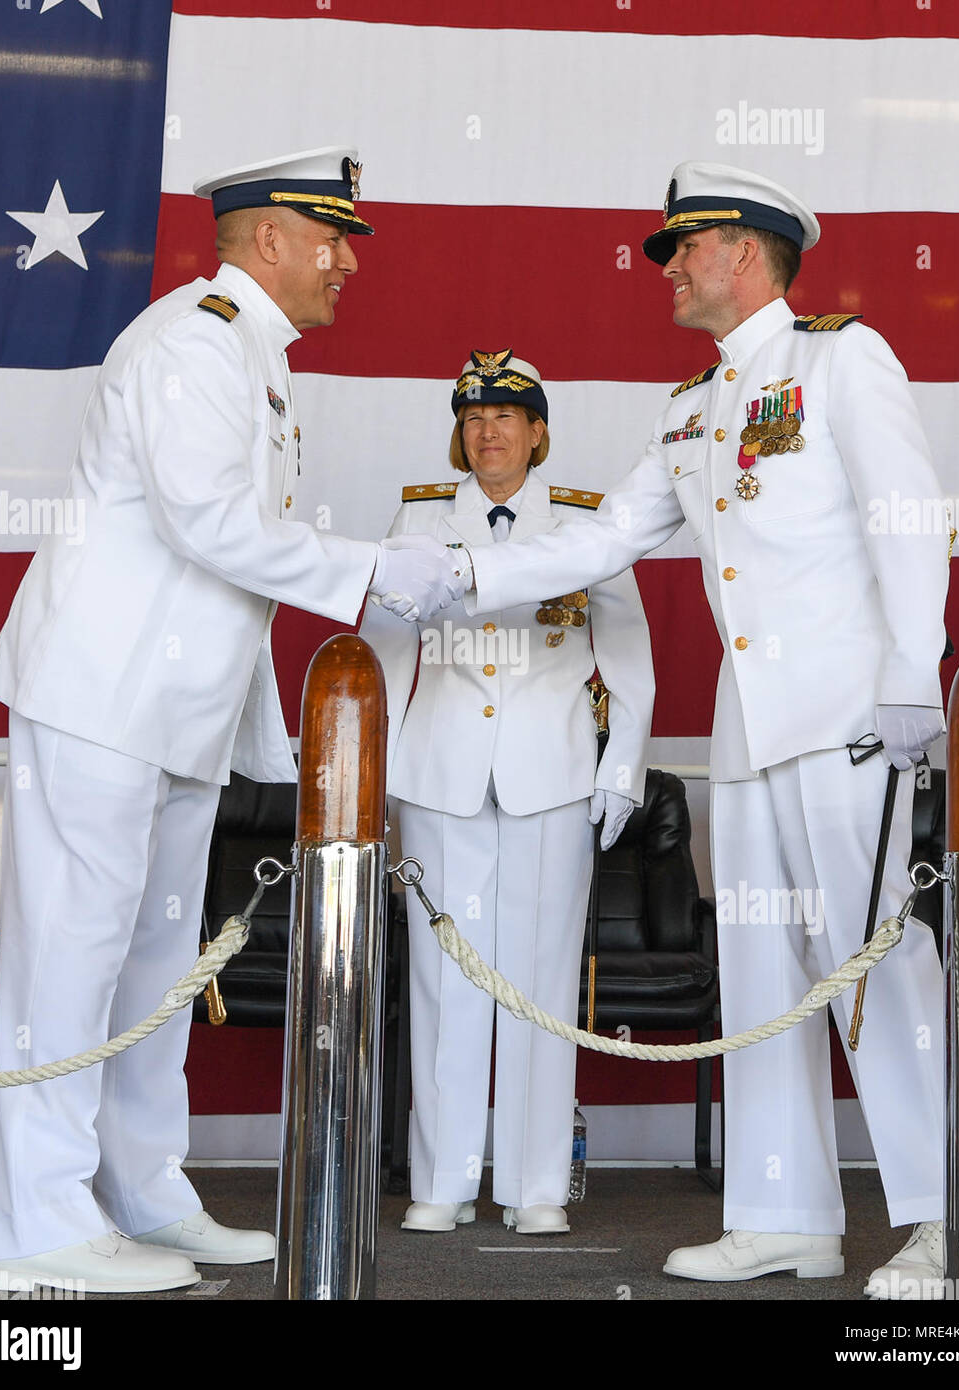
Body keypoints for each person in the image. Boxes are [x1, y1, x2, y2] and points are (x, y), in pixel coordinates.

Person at [429, 165, 949, 1298]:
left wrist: (915, 666)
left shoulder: (836, 358)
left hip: (851, 714)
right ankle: (783, 1213)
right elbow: (598, 539)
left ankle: (947, 1218)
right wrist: (461, 573)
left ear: (749, 251)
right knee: (764, 970)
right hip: (749, 730)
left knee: (876, 965)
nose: (667, 266)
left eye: (686, 245)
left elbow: (903, 511)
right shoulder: (690, 407)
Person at [0, 146, 463, 1294]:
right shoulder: (195, 339)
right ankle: (37, 1234)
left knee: (153, 966)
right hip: (102, 694)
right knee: (70, 962)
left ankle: (140, 1194)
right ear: (265, 240)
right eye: (330, 235)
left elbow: (217, 571)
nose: (346, 259)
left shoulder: (249, 353)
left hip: (170, 712)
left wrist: (254, 736)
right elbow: (209, 527)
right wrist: (377, 572)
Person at [361, 351, 654, 1234]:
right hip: (439, 774)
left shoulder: (583, 522)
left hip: (553, 774)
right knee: (445, 980)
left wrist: (622, 766)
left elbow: (629, 653)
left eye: (506, 416)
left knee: (540, 981)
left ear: (538, 431)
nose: (488, 431)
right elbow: (383, 651)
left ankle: (535, 1189)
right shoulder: (418, 517)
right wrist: (372, 771)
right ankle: (441, 1183)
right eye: (473, 417)